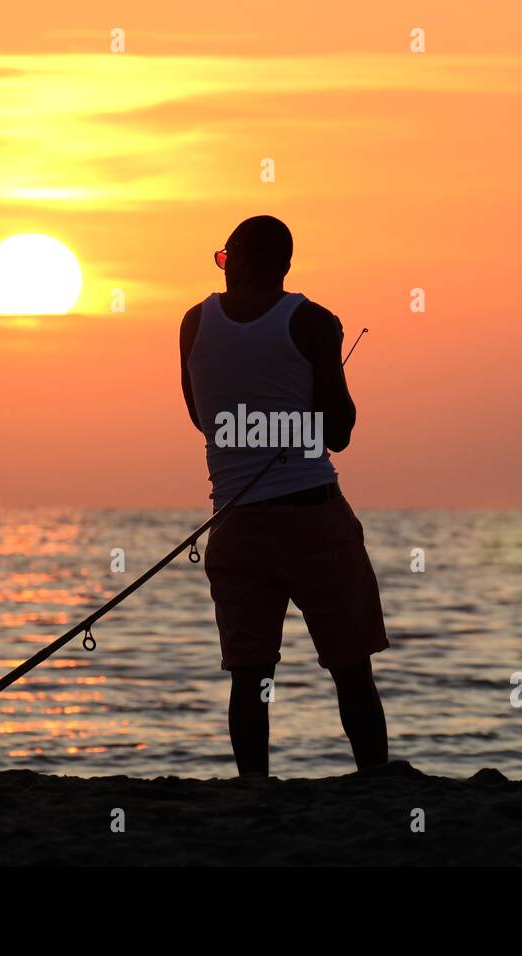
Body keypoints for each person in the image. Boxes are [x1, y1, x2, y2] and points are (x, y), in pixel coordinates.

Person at [179, 214, 390, 777]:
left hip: (234, 523)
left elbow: (205, 421)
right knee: (351, 667)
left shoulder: (194, 323)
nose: (222, 270)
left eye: (224, 259)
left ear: (242, 258)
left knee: (251, 676)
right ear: (283, 265)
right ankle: (374, 784)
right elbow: (339, 432)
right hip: (312, 517)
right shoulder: (314, 322)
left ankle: (254, 791)